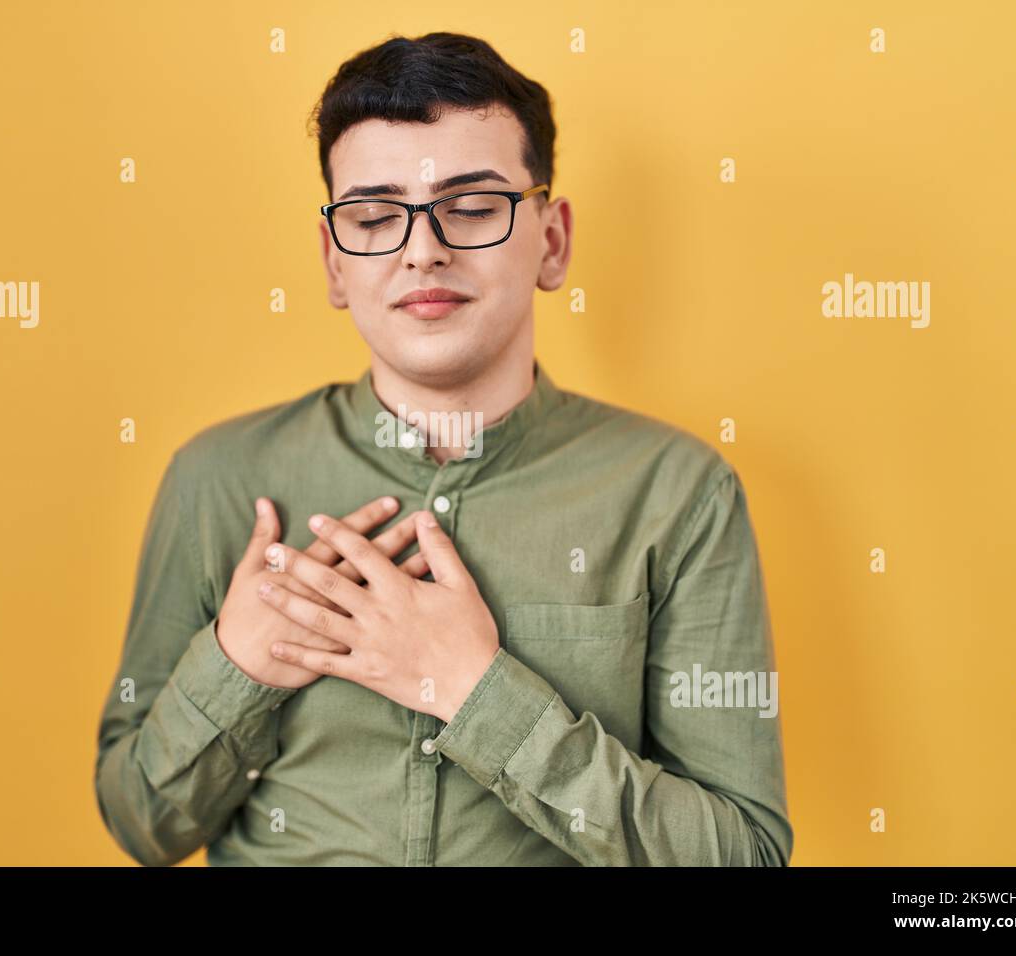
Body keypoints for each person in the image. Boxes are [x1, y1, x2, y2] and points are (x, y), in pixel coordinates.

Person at [94, 31, 792, 866]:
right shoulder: (218, 479)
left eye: (470, 206)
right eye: (374, 216)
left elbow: (743, 854)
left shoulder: (679, 492)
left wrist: (475, 692)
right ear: (333, 263)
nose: (422, 248)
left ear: (553, 241)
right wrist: (238, 662)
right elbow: (142, 825)